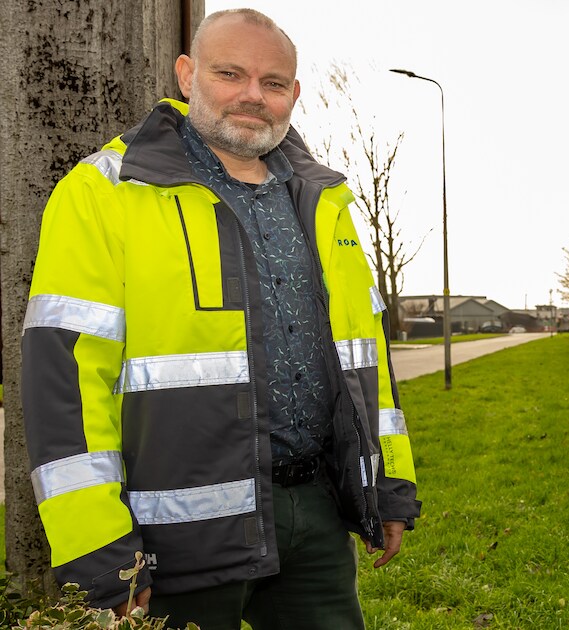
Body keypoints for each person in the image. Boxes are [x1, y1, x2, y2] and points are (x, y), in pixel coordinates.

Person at [21, 9, 419, 629]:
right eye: (230, 73)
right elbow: (64, 386)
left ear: (293, 93)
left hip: (313, 517)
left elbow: (366, 357)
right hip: (173, 539)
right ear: (186, 75)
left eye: (273, 82)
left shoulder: (325, 199)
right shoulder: (107, 191)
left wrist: (386, 485)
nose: (252, 96)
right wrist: (99, 549)